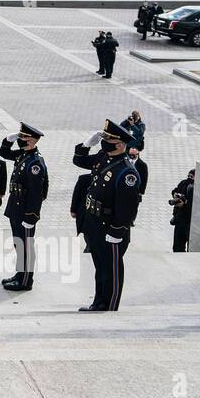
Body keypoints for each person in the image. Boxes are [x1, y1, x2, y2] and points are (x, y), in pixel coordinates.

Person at [77, 119, 142, 312]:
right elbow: (79, 160)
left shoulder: (127, 172)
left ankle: (109, 306)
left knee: (111, 269)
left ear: (121, 144)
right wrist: (86, 145)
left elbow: (128, 208)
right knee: (100, 269)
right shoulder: (103, 157)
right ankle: (98, 302)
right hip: (95, 224)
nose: (104, 142)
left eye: (108, 139)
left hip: (110, 229)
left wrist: (117, 231)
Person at [0, 123, 48, 291]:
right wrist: (8, 140)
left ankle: (26, 280)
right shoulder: (24, 155)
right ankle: (20, 274)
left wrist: (31, 216)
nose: (20, 139)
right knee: (18, 243)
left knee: (25, 245)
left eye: (23, 137)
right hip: (16, 206)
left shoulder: (35, 163)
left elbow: (36, 194)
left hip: (25, 210)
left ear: (32, 141)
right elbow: (4, 153)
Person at [170, 169, 195, 253]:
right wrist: (175, 195)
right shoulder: (183, 183)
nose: (189, 178)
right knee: (177, 247)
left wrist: (184, 204)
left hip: (189, 222)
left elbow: (194, 206)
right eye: (188, 176)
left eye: (192, 177)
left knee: (190, 248)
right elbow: (175, 190)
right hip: (179, 218)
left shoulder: (195, 188)